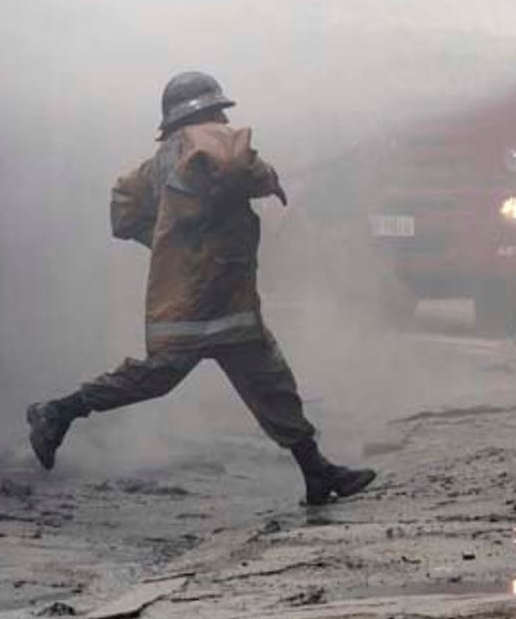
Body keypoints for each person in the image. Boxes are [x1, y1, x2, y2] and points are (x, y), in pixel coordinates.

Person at [25, 71, 377, 506]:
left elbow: (123, 209)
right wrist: (268, 177)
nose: (222, 123)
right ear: (209, 111)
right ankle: (57, 411)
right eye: (217, 113)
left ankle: (317, 473)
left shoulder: (159, 161)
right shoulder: (208, 142)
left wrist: (165, 241)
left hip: (213, 299)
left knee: (268, 382)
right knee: (179, 378)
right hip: (205, 303)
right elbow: (240, 166)